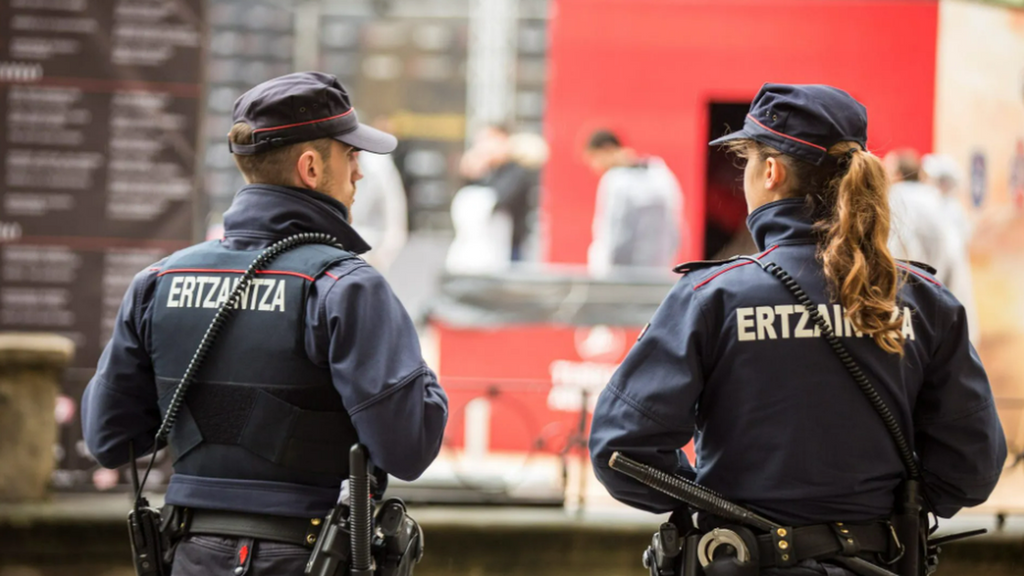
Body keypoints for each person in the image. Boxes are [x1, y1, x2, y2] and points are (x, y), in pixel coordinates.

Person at [589, 84, 1006, 576]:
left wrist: (712, 500)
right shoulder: (924, 301)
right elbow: (971, 469)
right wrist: (884, 513)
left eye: (745, 162)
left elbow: (621, 448)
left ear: (771, 171)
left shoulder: (714, 297)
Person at [81, 72, 449, 574]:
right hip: (308, 554)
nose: (359, 174)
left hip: (190, 553)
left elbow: (108, 436)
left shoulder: (159, 281)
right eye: (351, 156)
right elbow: (408, 448)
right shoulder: (347, 286)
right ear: (312, 167)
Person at [886, 149, 979, 341]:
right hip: (946, 300)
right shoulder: (937, 202)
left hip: (912, 308)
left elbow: (895, 258)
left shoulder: (895, 201)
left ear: (898, 174)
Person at [583, 129, 683, 276]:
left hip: (621, 276)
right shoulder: (660, 173)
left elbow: (613, 235)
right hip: (658, 273)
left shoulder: (615, 180)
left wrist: (603, 272)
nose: (595, 166)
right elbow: (675, 227)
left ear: (606, 149)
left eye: (594, 158)